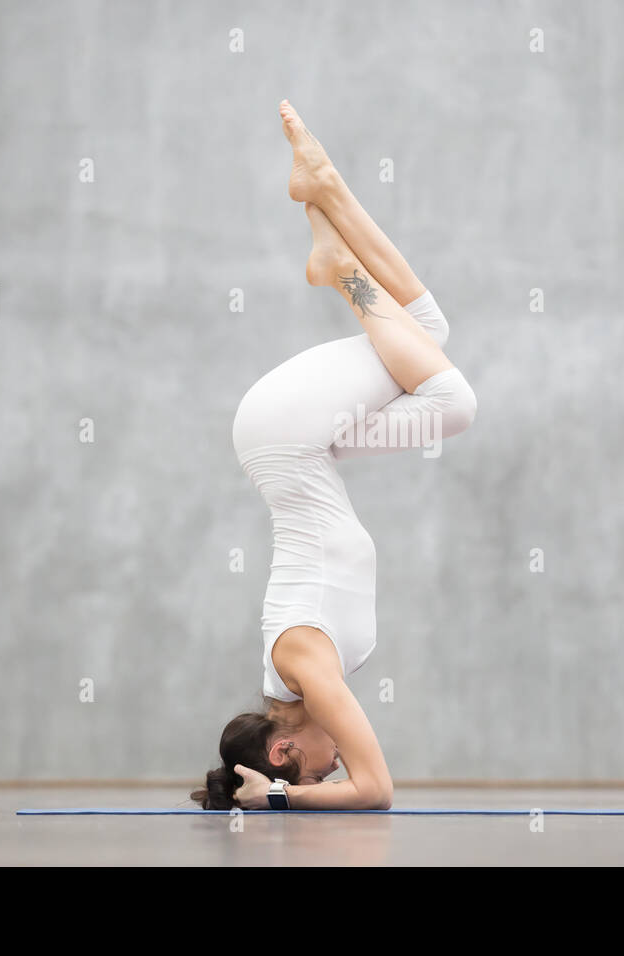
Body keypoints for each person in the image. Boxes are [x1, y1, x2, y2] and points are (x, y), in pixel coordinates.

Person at [191, 101, 478, 810]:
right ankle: (325, 192)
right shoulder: (313, 673)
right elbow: (363, 782)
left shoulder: (302, 664)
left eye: (318, 771)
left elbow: (375, 791)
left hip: (281, 432)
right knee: (426, 332)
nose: (336, 764)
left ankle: (342, 267)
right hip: (298, 444)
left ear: (283, 752)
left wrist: (282, 801)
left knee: (453, 403)